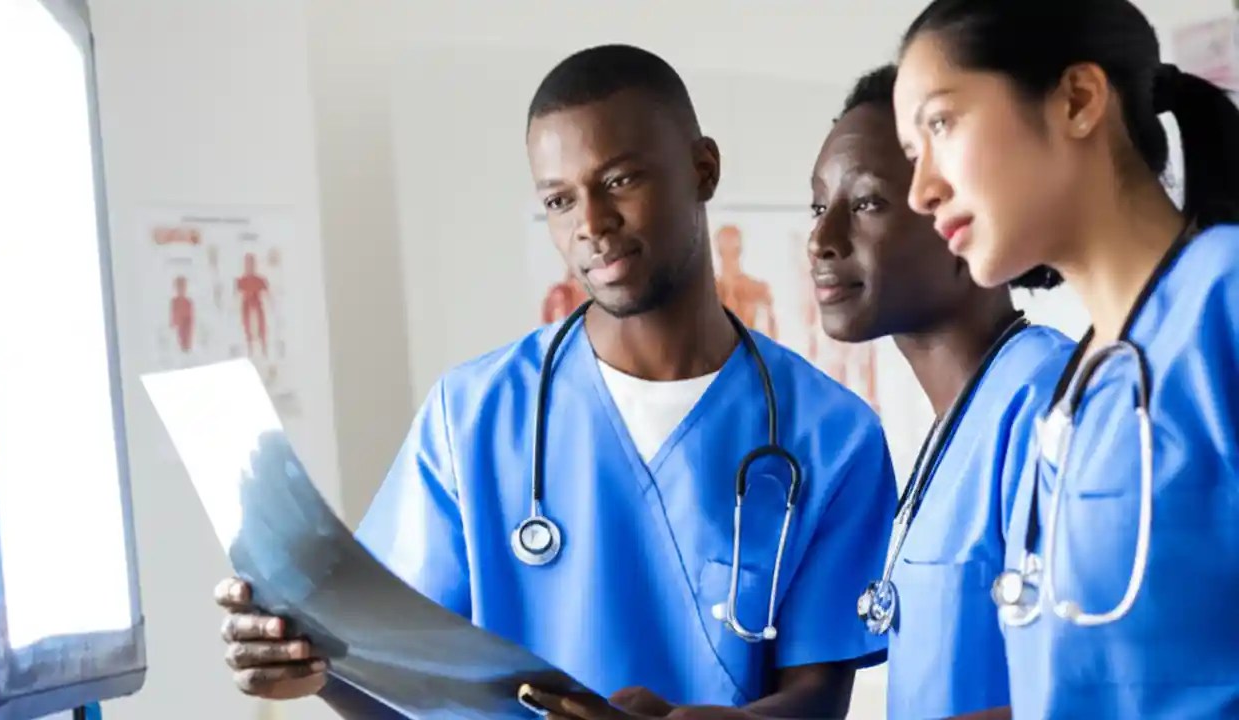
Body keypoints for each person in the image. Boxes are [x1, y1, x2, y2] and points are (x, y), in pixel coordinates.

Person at [216, 44, 896, 719]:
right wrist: (312, 666)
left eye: (621, 182)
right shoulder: (472, 417)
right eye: (560, 200)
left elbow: (817, 703)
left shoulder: (832, 434)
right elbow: (400, 691)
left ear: (702, 169)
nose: (592, 226)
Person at [893, 0, 1239, 717]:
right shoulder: (1078, 393)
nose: (921, 190)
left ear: (1077, 101)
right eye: (911, 154)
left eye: (941, 124)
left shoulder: (1223, 300)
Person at [808, 64, 1073, 719]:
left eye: (866, 202)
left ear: (958, 213)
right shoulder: (961, 424)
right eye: (819, 206)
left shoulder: (1048, 404)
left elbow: (1100, 694)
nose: (822, 239)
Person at [713, 224, 778, 339]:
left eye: (733, 251)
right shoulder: (709, 292)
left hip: (749, 352)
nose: (729, 256)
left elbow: (772, 337)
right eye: (726, 250)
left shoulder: (758, 290)